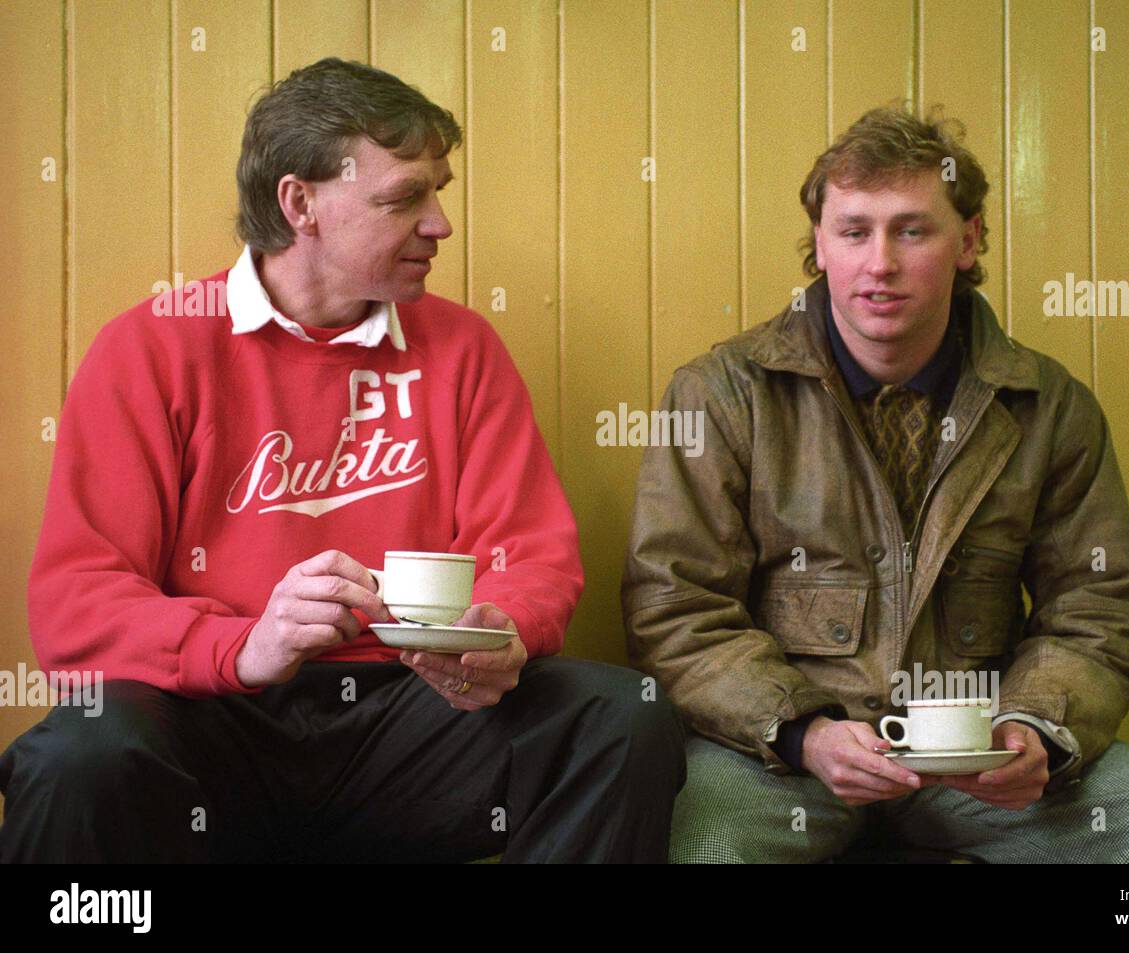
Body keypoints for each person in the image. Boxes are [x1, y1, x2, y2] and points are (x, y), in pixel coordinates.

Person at [0, 57, 684, 863]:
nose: (440, 224)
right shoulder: (150, 348)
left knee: (625, 715)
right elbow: (77, 604)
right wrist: (245, 645)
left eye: (440, 190)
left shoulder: (463, 349)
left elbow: (529, 555)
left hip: (416, 715)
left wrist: (505, 630)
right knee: (76, 752)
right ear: (301, 204)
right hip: (212, 720)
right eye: (404, 199)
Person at [621, 106, 1129, 864]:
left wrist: (1037, 728)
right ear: (819, 244)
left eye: (912, 230)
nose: (879, 262)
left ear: (969, 239)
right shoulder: (722, 393)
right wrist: (803, 732)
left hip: (981, 759)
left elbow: (1096, 604)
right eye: (854, 231)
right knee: (705, 850)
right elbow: (675, 604)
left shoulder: (1049, 405)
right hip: (780, 761)